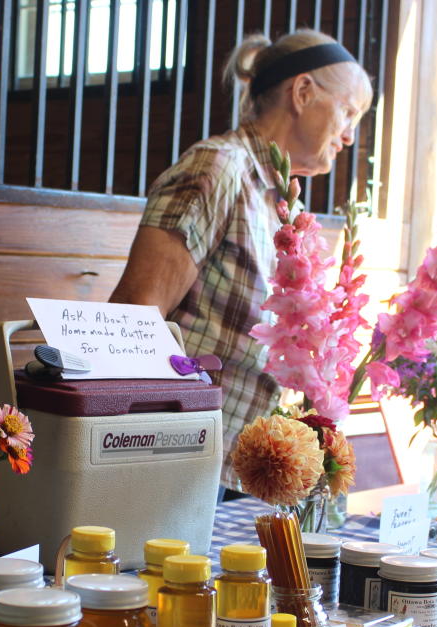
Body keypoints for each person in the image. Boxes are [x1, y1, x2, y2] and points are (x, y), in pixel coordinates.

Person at [109, 30, 372, 494]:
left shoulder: (276, 196)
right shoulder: (218, 166)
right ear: (303, 92)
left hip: (228, 471)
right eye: (349, 112)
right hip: (172, 465)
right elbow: (134, 313)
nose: (350, 136)